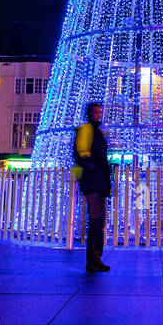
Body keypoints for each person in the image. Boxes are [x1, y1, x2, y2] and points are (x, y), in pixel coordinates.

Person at [72, 102, 111, 273]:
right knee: (95, 221)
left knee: (99, 221)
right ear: (89, 113)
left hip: (99, 182)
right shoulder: (86, 130)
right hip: (93, 182)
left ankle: (96, 258)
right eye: (96, 112)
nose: (99, 115)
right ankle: (92, 260)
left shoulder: (98, 132)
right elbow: (82, 156)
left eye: (100, 112)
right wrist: (95, 173)